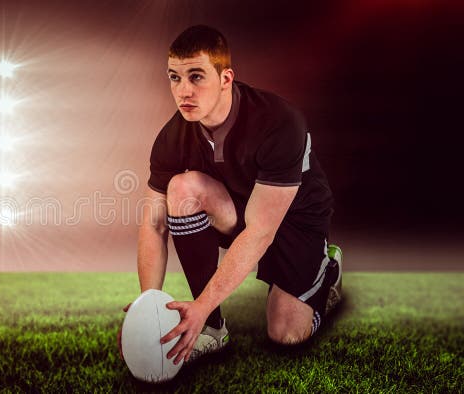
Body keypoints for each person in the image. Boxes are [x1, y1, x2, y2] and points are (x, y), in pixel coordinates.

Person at [118, 25, 341, 366]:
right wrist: (148, 304)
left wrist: (199, 304)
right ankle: (212, 328)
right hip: (240, 213)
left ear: (226, 78)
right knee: (182, 189)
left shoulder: (279, 122)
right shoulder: (172, 137)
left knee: (286, 332)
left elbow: (261, 231)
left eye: (196, 76)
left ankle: (327, 269)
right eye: (174, 78)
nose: (183, 91)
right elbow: (154, 225)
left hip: (293, 222)